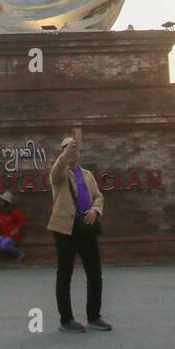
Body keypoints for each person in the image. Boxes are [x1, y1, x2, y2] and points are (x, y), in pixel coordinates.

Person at [47, 134, 111, 332]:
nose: (72, 151)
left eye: (75, 148)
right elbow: (56, 170)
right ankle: (66, 320)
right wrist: (65, 153)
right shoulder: (59, 174)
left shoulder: (87, 175)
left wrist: (95, 210)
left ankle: (94, 316)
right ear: (63, 151)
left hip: (86, 227)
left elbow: (99, 197)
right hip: (65, 229)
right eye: (67, 148)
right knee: (65, 274)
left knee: (95, 273)